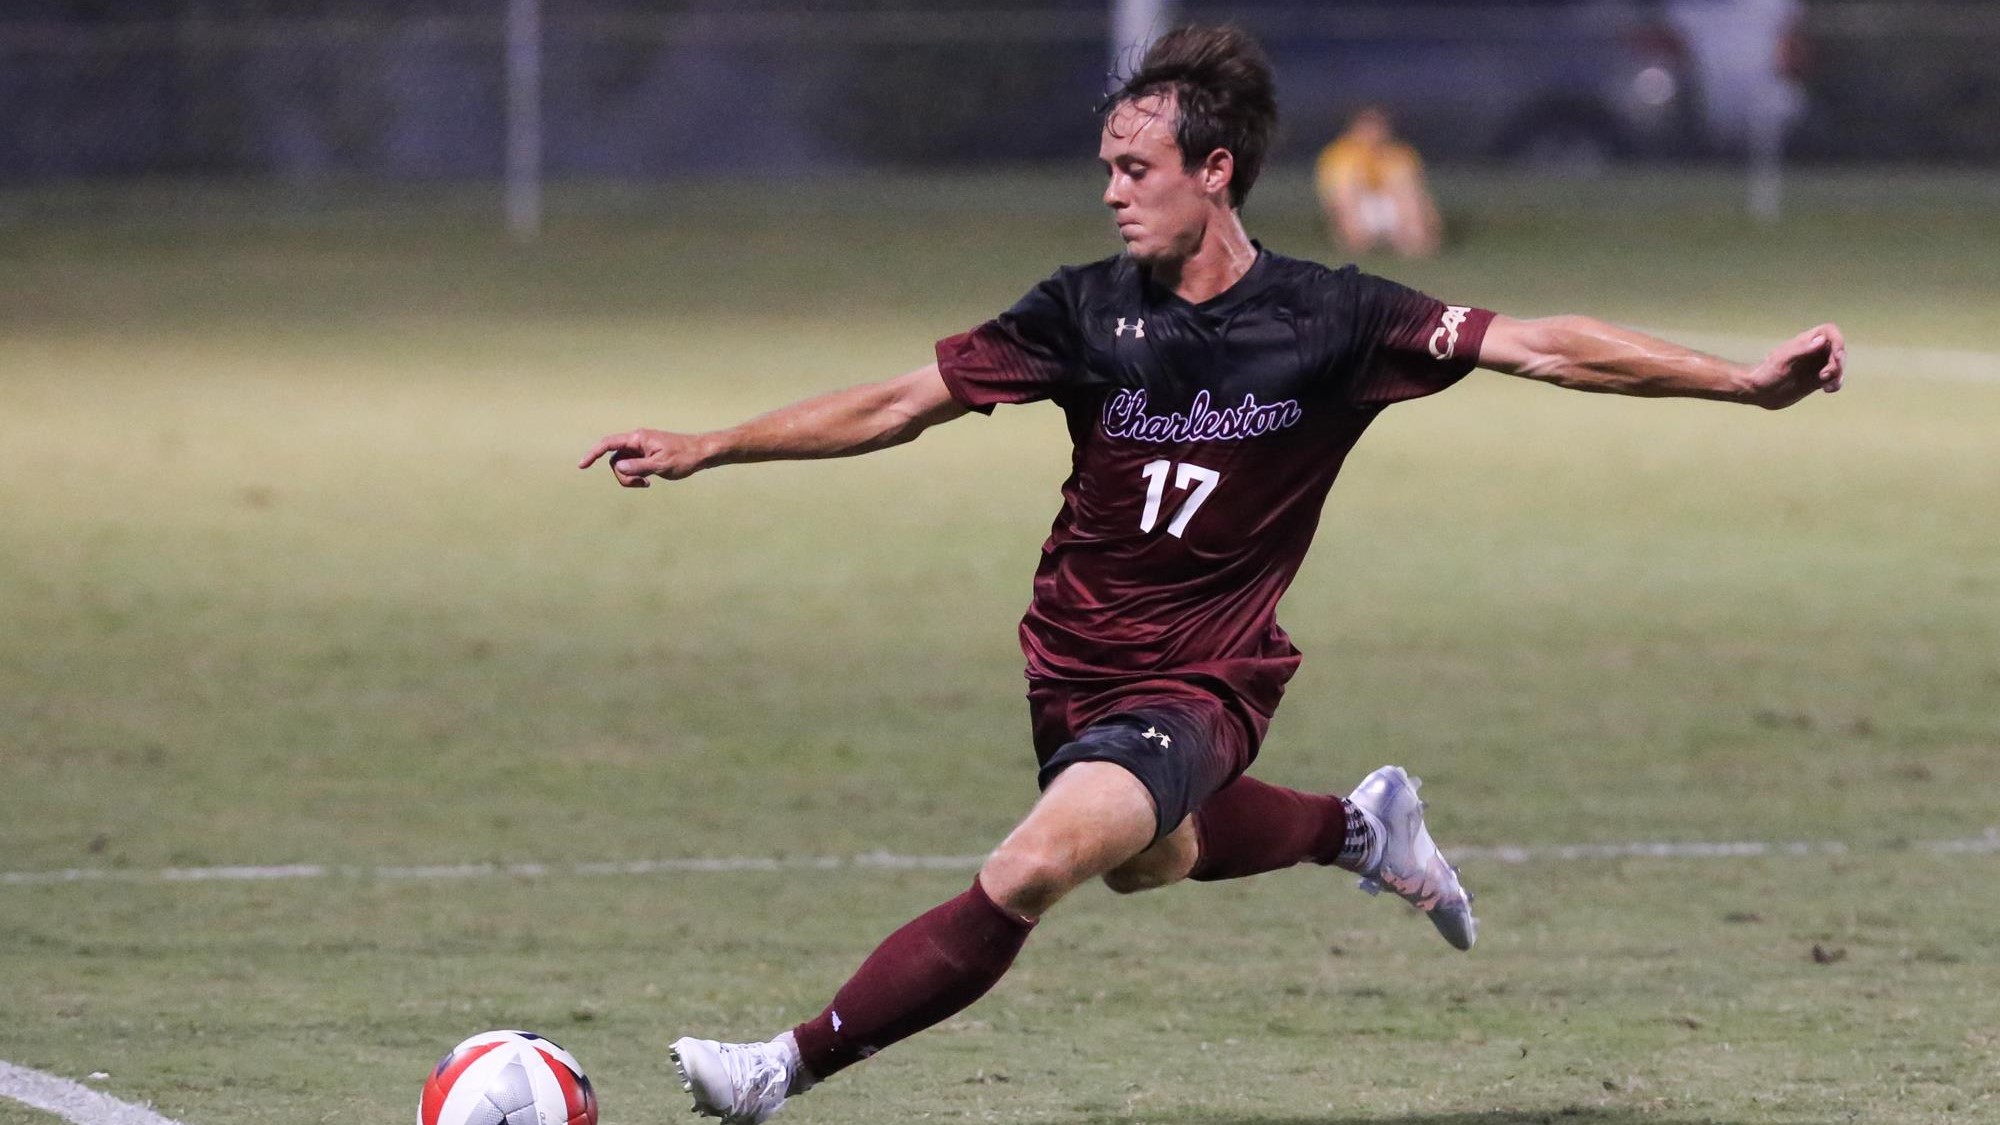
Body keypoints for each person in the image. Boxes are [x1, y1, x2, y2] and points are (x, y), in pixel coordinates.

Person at [578, 24, 1846, 1123]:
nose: (1113, 195)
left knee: (1030, 868)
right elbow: (903, 401)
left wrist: (1738, 380)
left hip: (1205, 681)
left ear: (1214, 172)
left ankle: (777, 1070)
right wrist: (710, 444)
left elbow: (1545, 346)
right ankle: (1358, 826)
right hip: (1071, 666)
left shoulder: (1331, 318)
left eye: (1136, 171)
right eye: (1106, 171)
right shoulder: (1082, 311)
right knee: (1151, 858)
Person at [1316, 105, 1443, 258]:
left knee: (1404, 188)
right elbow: (1338, 199)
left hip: (1391, 207)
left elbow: (1418, 195)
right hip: (1361, 209)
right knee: (1348, 188)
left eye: (1377, 126)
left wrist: (1430, 226)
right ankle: (1357, 239)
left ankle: (1409, 241)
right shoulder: (1340, 154)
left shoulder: (1399, 153)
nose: (1373, 132)